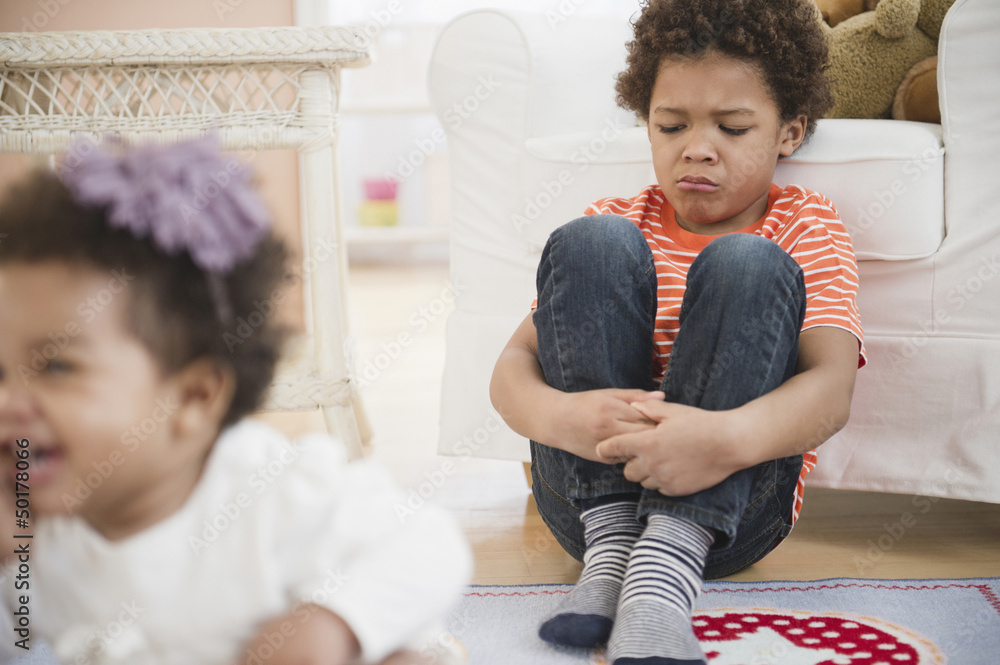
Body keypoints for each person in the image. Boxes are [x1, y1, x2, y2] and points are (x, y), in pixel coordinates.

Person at [0, 137, 472, 665]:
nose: (7, 401)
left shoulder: (271, 490)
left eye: (57, 367)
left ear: (195, 397)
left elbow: (428, 545)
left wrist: (329, 624)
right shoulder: (29, 529)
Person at [490, 0, 865, 663]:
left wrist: (722, 439)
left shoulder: (804, 224)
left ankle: (663, 572)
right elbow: (511, 370)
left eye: (732, 126)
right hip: (585, 500)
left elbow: (831, 392)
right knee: (591, 239)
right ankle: (610, 557)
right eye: (671, 125)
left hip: (732, 517)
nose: (697, 146)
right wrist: (563, 416)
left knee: (746, 263)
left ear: (789, 132)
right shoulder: (618, 218)